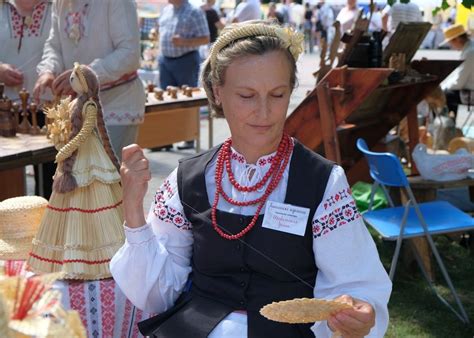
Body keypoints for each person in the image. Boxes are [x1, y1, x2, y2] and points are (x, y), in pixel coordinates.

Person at [111, 21, 392, 338]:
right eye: (246, 95)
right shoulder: (187, 179)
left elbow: (354, 284)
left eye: (278, 94)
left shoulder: (322, 182)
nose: (265, 112)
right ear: (218, 92)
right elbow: (156, 294)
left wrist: (359, 313)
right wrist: (133, 210)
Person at [28, 63, 124, 280]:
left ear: (84, 83)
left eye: (74, 78)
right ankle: (72, 255)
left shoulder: (89, 105)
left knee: (94, 197)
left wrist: (66, 150)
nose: (70, 82)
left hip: (88, 154)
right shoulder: (76, 102)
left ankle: (99, 258)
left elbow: (85, 132)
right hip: (79, 153)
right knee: (75, 203)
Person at [33, 0, 145, 161]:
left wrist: (85, 74)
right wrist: (48, 70)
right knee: (82, 181)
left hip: (116, 104)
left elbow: (130, 54)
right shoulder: (61, 3)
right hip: (78, 107)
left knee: (109, 181)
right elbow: (54, 46)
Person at [0, 0, 55, 198]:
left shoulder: (56, 6)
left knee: (51, 182)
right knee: (7, 185)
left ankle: (48, 227)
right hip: (5, 110)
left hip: (49, 109)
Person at [157, 0, 210, 150]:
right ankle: (166, 139)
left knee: (187, 101)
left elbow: (205, 38)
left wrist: (184, 41)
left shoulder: (195, 11)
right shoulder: (167, 10)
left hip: (185, 60)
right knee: (165, 101)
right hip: (165, 60)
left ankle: (188, 138)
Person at [440, 24, 474, 117]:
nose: (451, 46)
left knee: (444, 96)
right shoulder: (469, 49)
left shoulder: (470, 52)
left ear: (457, 39)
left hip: (471, 93)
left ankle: (448, 128)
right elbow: (457, 76)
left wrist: (442, 89)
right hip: (469, 89)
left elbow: (459, 83)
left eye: (451, 42)